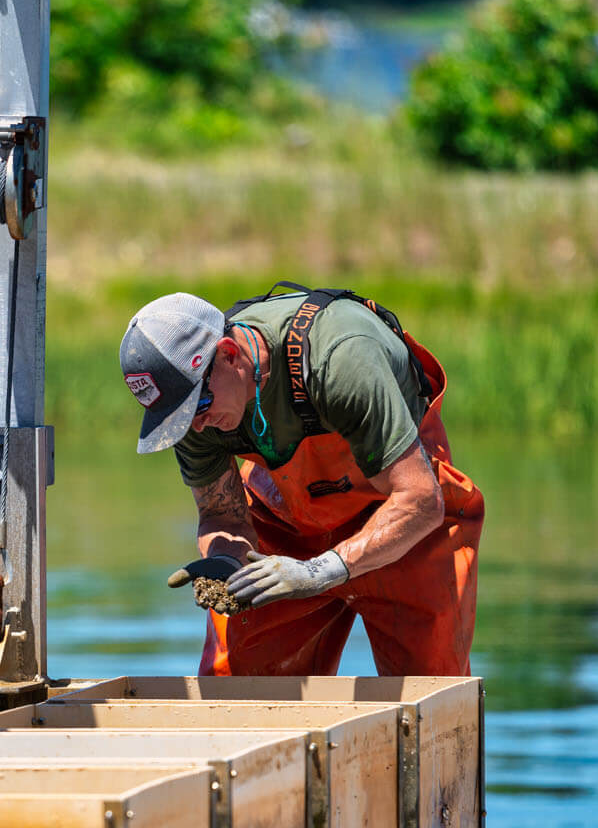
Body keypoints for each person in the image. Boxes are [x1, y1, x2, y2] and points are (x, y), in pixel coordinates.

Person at [119, 285, 483, 676]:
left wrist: (321, 571)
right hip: (286, 523)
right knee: (236, 689)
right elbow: (221, 515)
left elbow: (420, 499)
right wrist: (227, 560)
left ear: (227, 354)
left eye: (199, 406)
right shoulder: (195, 411)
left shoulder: (339, 357)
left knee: (431, 696)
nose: (196, 425)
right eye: (177, 419)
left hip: (403, 515)